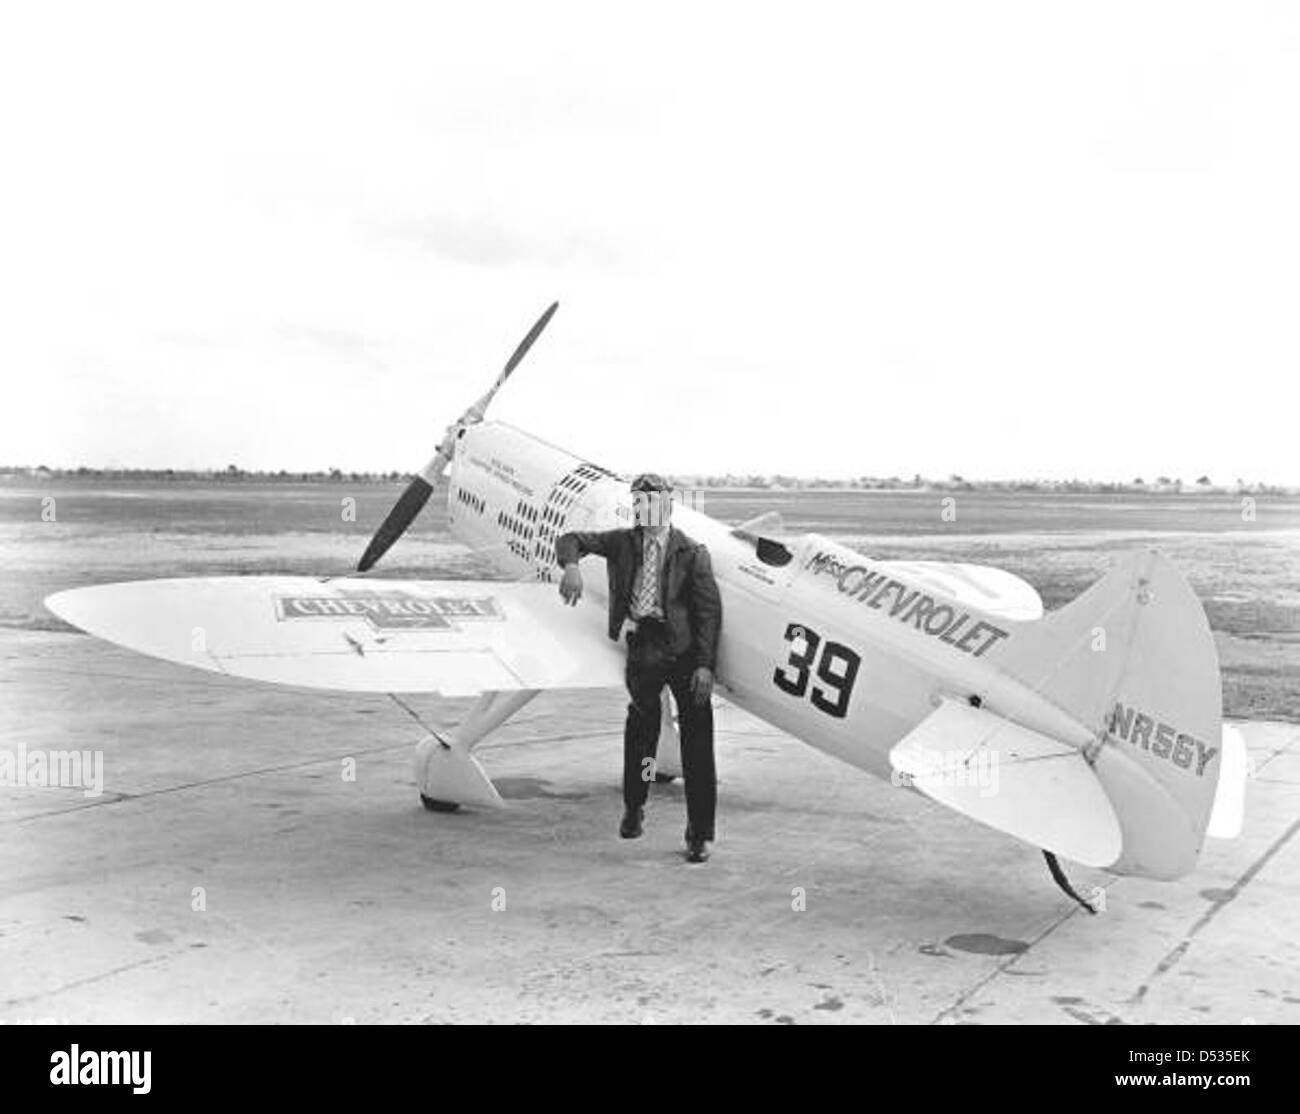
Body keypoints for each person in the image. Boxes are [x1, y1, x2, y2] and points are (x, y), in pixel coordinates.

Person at [555, 473, 722, 863]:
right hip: (645, 648)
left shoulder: (691, 552)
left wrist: (704, 666)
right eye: (640, 503)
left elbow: (708, 614)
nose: (647, 511)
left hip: (683, 653)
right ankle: (635, 803)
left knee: (698, 746)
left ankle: (699, 834)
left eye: (654, 502)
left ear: (667, 506)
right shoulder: (622, 542)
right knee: (641, 737)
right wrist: (571, 566)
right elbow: (572, 539)